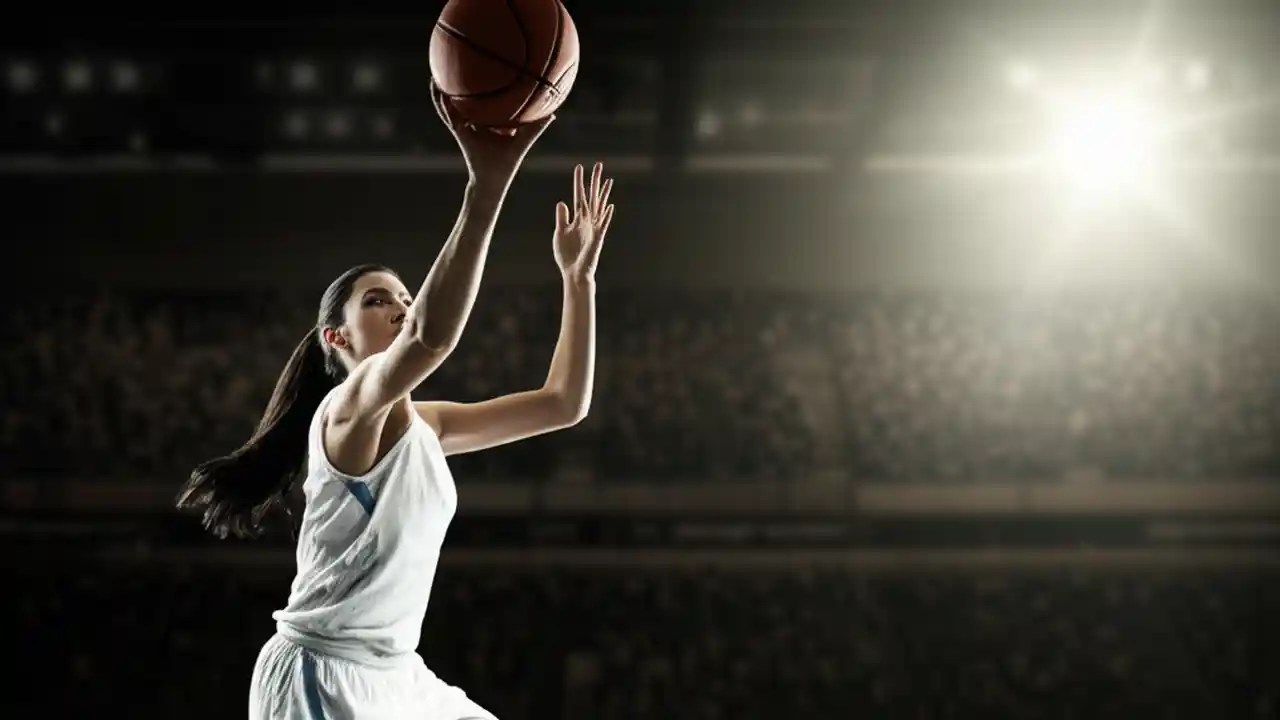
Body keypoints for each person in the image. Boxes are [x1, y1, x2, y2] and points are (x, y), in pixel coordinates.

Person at [175, 82, 615, 718]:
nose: (400, 308)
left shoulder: (429, 427)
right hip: (321, 673)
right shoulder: (344, 411)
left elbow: (563, 403)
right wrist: (486, 185)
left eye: (406, 298)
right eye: (377, 300)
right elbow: (431, 337)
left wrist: (579, 281)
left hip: (398, 674)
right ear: (337, 337)